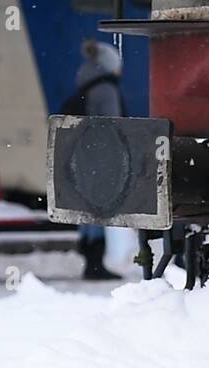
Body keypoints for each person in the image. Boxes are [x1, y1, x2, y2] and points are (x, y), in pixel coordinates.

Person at [67, 40, 126, 280]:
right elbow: (114, 126)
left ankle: (90, 258)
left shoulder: (85, 85)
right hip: (100, 158)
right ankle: (95, 263)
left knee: (87, 208)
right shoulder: (107, 90)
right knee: (99, 209)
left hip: (82, 156)